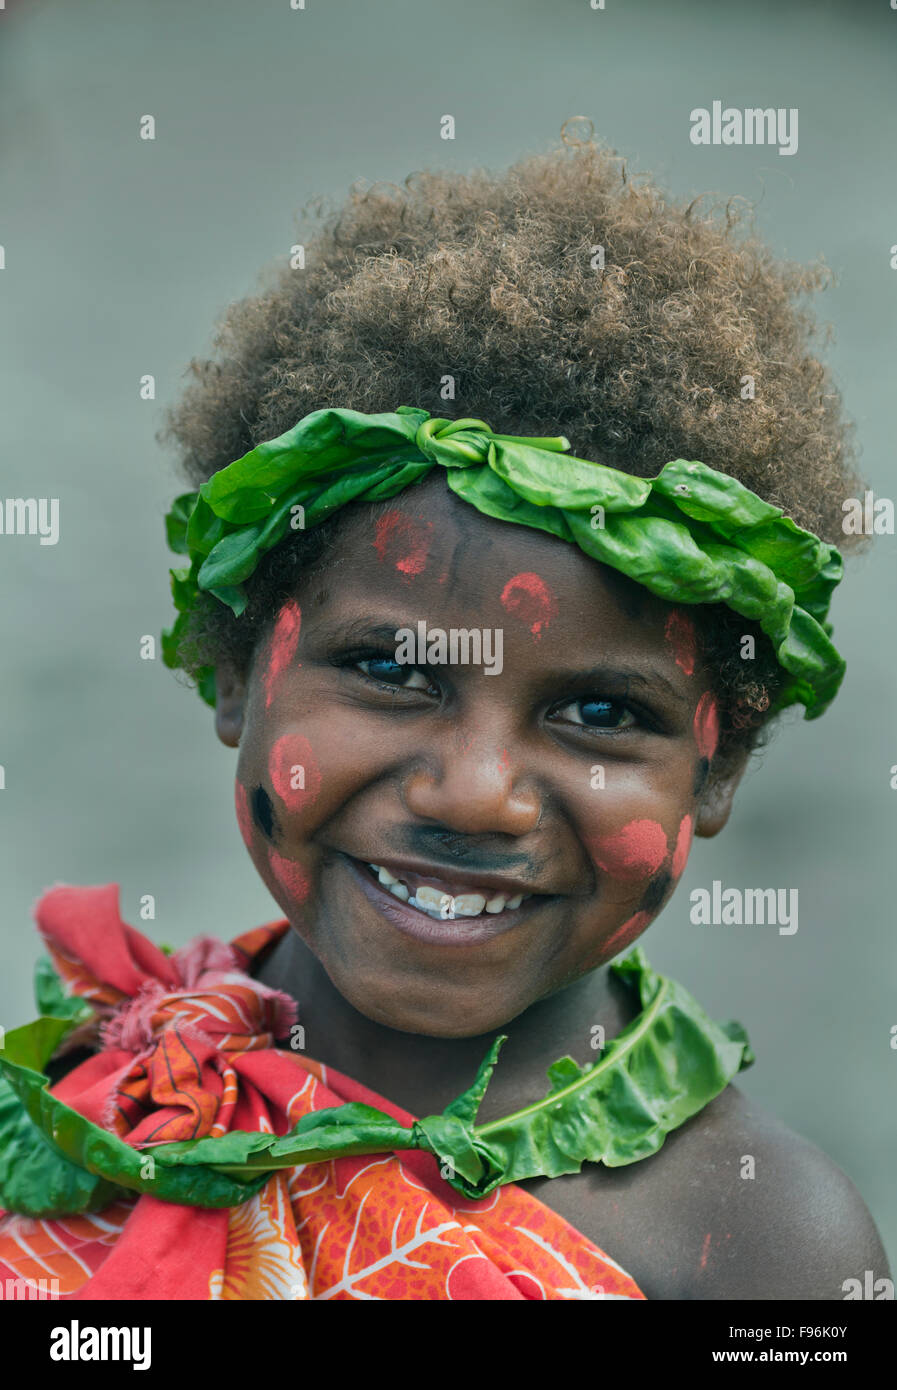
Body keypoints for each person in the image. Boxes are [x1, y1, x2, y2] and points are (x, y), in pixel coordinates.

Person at [0, 132, 888, 1301]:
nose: (475, 790)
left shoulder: (765, 1250)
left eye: (601, 709)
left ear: (715, 770)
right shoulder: (79, 1111)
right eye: (390, 672)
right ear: (236, 672)